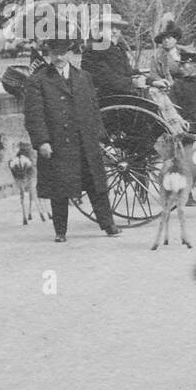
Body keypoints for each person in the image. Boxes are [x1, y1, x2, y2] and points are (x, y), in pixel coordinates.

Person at [22, 35, 120, 242]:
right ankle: (60, 231)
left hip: (85, 141)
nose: (58, 57)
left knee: (96, 184)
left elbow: (94, 110)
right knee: (60, 189)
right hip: (58, 143)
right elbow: (34, 116)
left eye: (63, 52)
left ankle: (108, 224)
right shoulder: (37, 81)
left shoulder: (84, 77)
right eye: (54, 53)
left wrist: (101, 138)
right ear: (48, 54)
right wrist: (42, 142)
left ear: (70, 53)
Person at [79, 11, 136, 100]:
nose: (114, 31)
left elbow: (128, 71)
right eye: (110, 27)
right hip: (106, 97)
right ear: (101, 29)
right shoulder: (93, 49)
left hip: (122, 92)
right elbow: (105, 79)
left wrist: (151, 81)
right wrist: (132, 82)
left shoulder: (119, 48)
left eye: (117, 28)